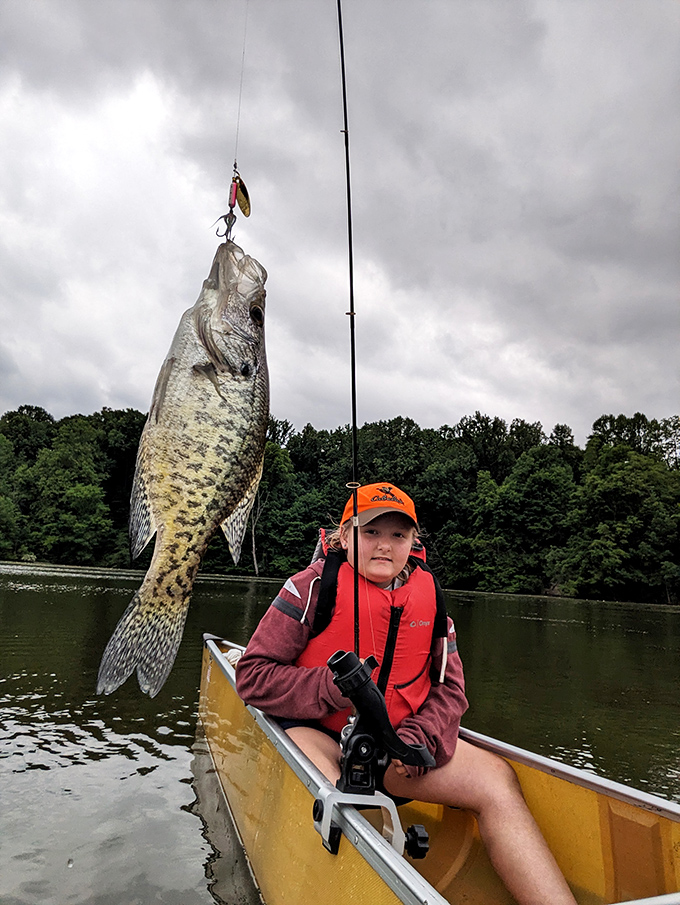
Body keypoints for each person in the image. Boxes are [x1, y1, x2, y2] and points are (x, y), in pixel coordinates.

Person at [236, 482, 577, 905]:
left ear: (414, 542)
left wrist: (420, 734)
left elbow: (452, 691)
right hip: (319, 734)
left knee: (497, 781)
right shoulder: (309, 589)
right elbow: (251, 676)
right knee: (336, 796)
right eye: (370, 532)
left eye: (398, 535)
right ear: (344, 536)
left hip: (397, 748)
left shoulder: (432, 600)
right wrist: (330, 686)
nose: (385, 546)